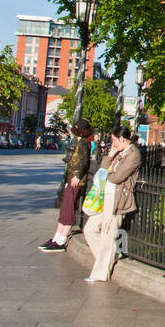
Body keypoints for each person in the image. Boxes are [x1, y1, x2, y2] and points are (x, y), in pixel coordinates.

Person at [84, 126, 141, 282]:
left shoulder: (133, 154)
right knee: (90, 229)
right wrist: (110, 155)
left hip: (117, 199)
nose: (113, 144)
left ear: (122, 139)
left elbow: (118, 177)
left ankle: (100, 273)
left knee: (108, 235)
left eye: (114, 140)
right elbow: (104, 168)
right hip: (105, 197)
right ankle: (112, 255)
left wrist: (105, 173)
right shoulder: (119, 153)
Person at [39, 119, 93, 252]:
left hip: (76, 180)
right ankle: (56, 238)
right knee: (65, 208)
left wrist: (78, 176)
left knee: (69, 208)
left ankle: (61, 240)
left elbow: (84, 161)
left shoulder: (84, 143)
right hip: (71, 178)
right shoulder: (79, 140)